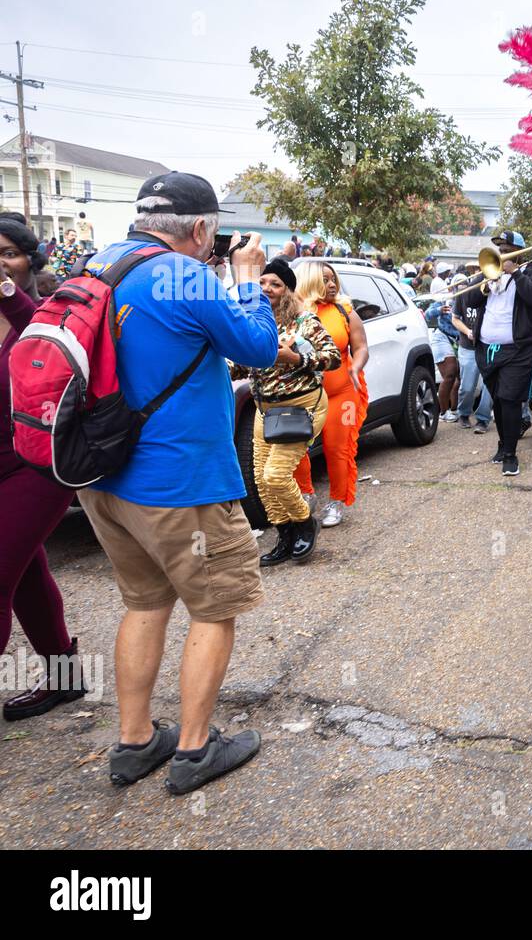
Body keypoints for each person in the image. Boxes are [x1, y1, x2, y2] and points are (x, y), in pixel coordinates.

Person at [75, 172, 277, 792]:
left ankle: (135, 743)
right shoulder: (187, 276)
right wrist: (246, 278)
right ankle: (193, 752)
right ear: (199, 229)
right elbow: (260, 347)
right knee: (215, 609)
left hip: (103, 478)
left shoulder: (98, 263)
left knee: (144, 603)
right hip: (179, 485)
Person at [0, 220, 83, 720]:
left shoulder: (45, 314)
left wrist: (7, 291)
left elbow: (40, 341)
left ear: (33, 260)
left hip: (36, 464)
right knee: (25, 570)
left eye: (8, 254)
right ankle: (67, 678)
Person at [231, 259, 340, 566]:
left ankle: (305, 522)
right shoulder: (253, 326)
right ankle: (285, 536)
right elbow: (244, 364)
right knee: (263, 482)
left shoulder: (305, 323)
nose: (267, 289)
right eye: (262, 283)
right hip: (265, 411)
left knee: (276, 475)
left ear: (288, 291)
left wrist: (295, 358)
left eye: (275, 284)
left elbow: (332, 359)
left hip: (301, 407)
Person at [461, 230, 532, 476]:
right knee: (499, 399)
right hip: (486, 349)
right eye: (500, 249)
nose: (503, 254)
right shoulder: (490, 273)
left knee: (510, 398)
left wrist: (516, 273)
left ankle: (511, 455)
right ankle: (504, 444)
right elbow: (468, 301)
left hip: (519, 349)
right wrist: (485, 285)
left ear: (519, 253)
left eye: (508, 249)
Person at [292, 261, 370, 527]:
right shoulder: (294, 312)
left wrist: (356, 367)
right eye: (325, 280)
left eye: (333, 278)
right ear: (309, 281)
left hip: (343, 394)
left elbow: (360, 347)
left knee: (339, 449)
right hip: (303, 397)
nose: (333, 284)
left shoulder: (344, 309)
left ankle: (337, 501)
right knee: (296, 449)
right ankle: (306, 495)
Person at [451, 273, 493, 432]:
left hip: (488, 346)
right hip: (468, 347)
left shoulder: (492, 293)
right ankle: (463, 413)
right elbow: (455, 319)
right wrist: (468, 331)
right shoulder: (463, 295)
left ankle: (483, 419)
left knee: (489, 386)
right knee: (467, 386)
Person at [424, 286, 460, 423]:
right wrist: (439, 310)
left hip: (460, 341)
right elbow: (427, 315)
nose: (460, 288)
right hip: (442, 338)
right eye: (457, 286)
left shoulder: (467, 299)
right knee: (450, 374)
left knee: (459, 378)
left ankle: (454, 410)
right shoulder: (445, 300)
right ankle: (443, 412)